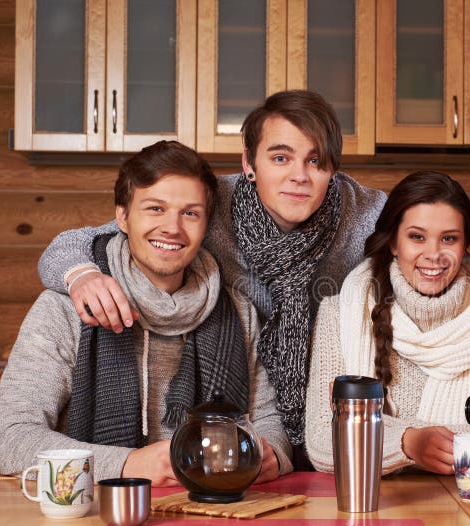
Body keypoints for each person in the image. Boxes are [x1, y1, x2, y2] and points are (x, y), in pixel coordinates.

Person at [35, 91, 387, 468]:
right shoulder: (209, 202)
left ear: (333, 169)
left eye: (315, 161)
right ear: (249, 163)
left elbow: (445, 250)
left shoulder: (366, 213)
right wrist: (82, 275)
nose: (298, 176)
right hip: (249, 408)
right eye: (280, 158)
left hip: (330, 425)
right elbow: (83, 242)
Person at [0, 141, 290, 485]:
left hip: (208, 511)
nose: (172, 228)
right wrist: (128, 465)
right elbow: (9, 441)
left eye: (190, 213)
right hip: (97, 512)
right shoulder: (66, 308)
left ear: (206, 226)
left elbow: (269, 420)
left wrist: (273, 455)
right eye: (155, 209)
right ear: (121, 216)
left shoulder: (239, 311)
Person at [305, 172, 470, 475]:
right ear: (394, 242)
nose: (433, 254)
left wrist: (371, 429)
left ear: (465, 245)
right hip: (374, 505)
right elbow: (320, 442)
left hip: (465, 507)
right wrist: (408, 443)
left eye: (449, 238)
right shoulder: (340, 312)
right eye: (417, 237)